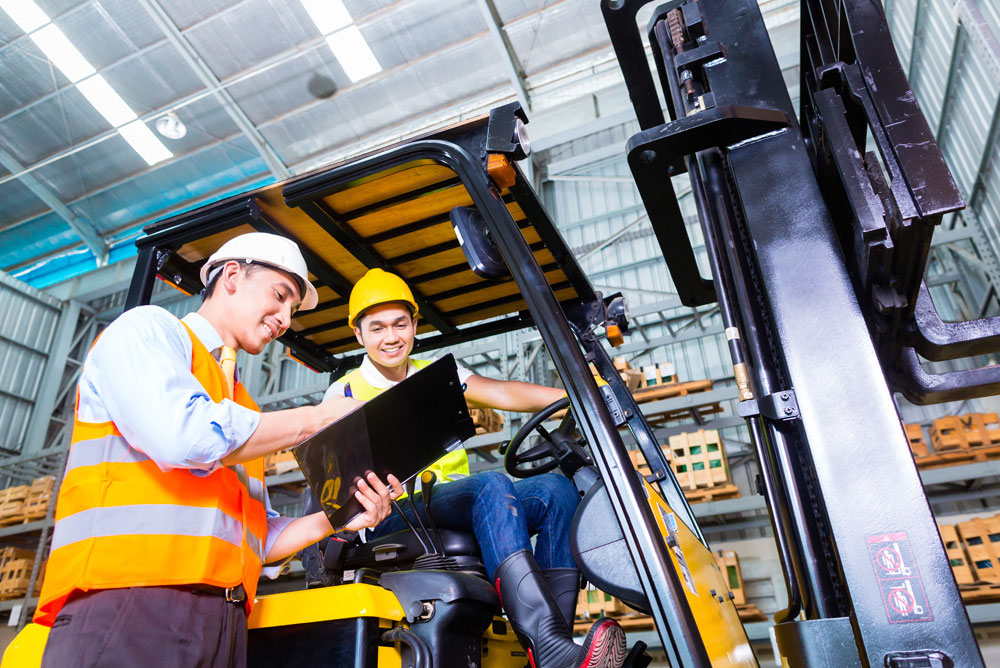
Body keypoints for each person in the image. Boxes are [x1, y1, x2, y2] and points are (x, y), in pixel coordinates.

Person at [34, 233, 403, 667]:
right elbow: (182, 436)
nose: (285, 318)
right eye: (280, 295)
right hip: (130, 605)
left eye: (292, 310)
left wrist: (338, 516)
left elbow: (257, 538)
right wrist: (317, 417)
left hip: (223, 620)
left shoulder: (244, 409)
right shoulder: (147, 331)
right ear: (231, 275)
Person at [303, 268, 627, 668]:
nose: (391, 337)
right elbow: (335, 475)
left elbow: (500, 391)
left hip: (452, 501)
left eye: (400, 324)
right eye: (378, 328)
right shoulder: (345, 391)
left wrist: (579, 396)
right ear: (359, 334)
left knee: (555, 492)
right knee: (490, 485)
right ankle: (545, 639)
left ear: (414, 324)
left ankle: (550, 647)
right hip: (394, 512)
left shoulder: (435, 374)